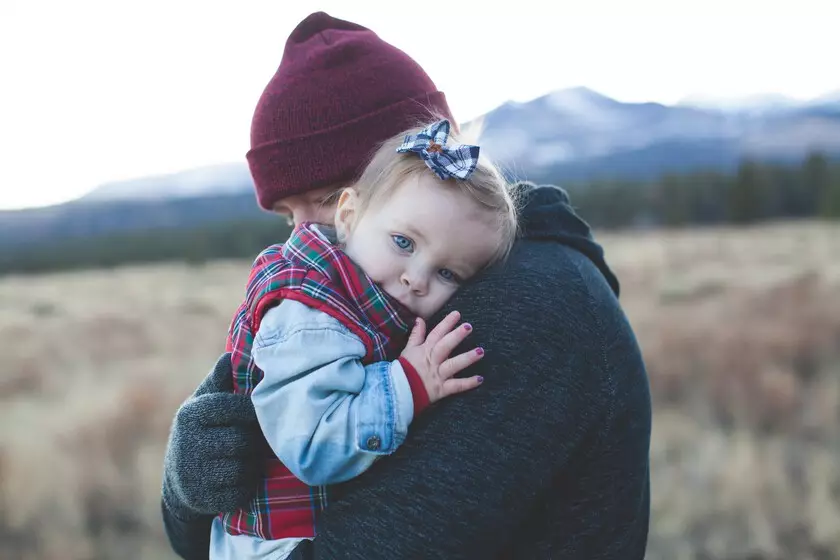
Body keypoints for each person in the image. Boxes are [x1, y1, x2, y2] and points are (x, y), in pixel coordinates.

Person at [161, 11, 652, 560]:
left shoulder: (526, 306)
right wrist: (189, 486)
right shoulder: (368, 298)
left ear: (414, 166)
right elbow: (205, 534)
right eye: (286, 216)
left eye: (324, 199)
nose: (303, 238)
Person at [214, 118, 518, 560]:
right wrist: (408, 384)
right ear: (349, 216)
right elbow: (313, 445)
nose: (416, 279)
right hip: (278, 547)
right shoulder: (309, 314)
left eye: (448, 273)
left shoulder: (366, 297)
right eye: (403, 242)